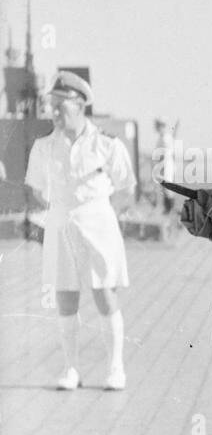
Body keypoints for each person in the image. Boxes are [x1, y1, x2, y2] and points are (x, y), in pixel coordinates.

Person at [25, 71, 135, 391]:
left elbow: (126, 187)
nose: (54, 112)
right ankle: (71, 369)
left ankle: (116, 368)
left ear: (80, 105)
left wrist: (104, 213)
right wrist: (57, 208)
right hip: (61, 223)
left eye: (61, 105)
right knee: (65, 297)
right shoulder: (44, 147)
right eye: (52, 105)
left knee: (104, 294)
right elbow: (35, 188)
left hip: (99, 220)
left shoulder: (106, 145)